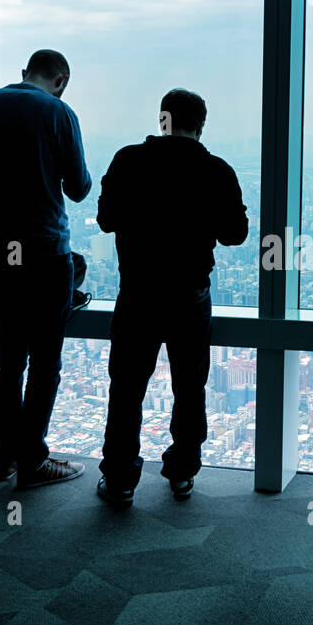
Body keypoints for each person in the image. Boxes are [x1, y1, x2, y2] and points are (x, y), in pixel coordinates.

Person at [94, 88, 247, 507]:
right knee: (189, 386)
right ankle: (182, 472)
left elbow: (105, 219)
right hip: (189, 295)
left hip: (138, 295)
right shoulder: (216, 170)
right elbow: (235, 234)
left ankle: (121, 478)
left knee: (126, 388)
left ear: (162, 118)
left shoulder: (128, 160)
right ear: (201, 124)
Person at [0, 49, 91, 489]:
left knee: (10, 357)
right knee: (46, 360)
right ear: (61, 79)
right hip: (47, 253)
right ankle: (33, 460)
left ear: (24, 72)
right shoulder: (59, 112)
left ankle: (5, 458)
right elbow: (80, 187)